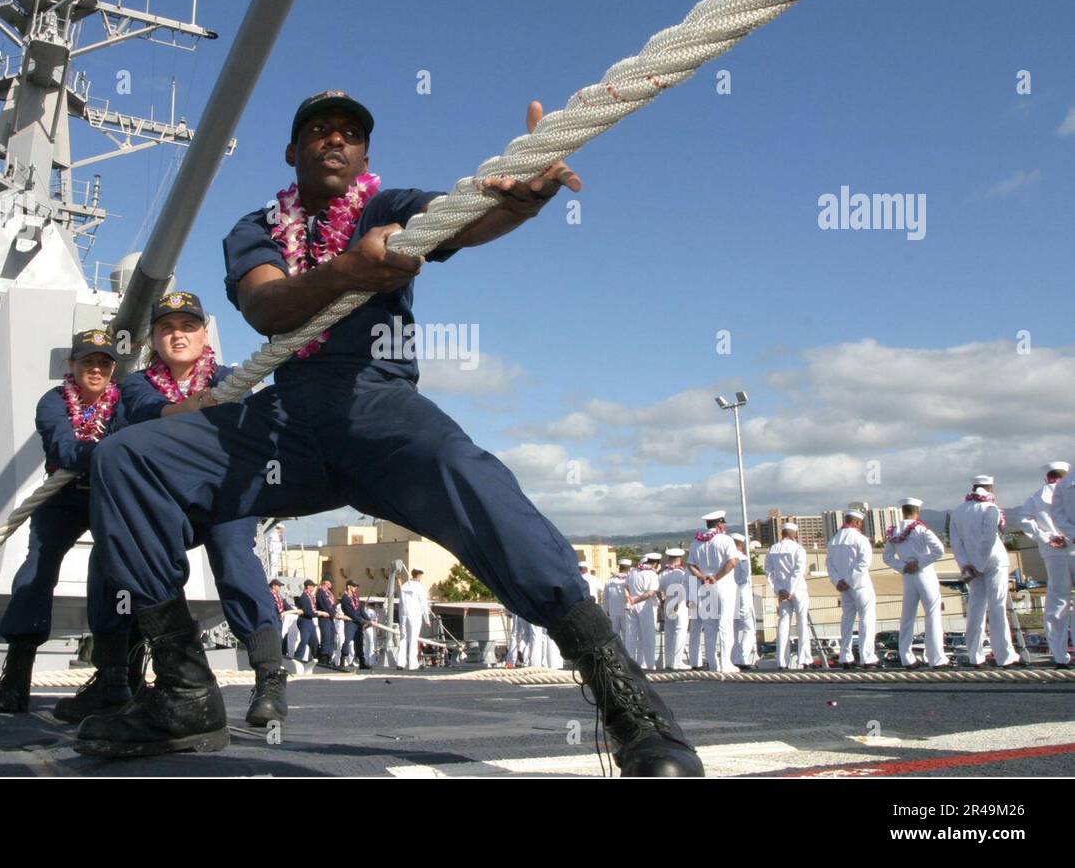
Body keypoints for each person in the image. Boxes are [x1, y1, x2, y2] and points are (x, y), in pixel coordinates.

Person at [78, 91, 702, 775]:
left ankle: (633, 711)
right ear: (292, 153)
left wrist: (524, 196)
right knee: (127, 458)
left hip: (378, 407)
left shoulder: (384, 208)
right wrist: (349, 271)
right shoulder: (254, 227)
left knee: (474, 480)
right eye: (317, 130)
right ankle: (185, 693)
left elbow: (463, 220)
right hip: (285, 421)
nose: (335, 140)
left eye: (349, 133)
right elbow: (263, 303)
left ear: (366, 156)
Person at [115, 290, 288, 727]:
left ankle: (269, 677)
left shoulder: (234, 378)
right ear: (153, 339)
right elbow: (144, 412)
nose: (177, 336)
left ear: (204, 334)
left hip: (226, 495)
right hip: (170, 499)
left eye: (187, 326)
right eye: (166, 328)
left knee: (235, 558)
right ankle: (151, 673)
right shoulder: (135, 385)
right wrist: (200, 407)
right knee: (139, 562)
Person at [0, 330, 131, 714]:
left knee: (115, 575)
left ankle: (118, 677)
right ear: (72, 366)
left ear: (112, 369)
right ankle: (15, 678)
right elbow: (63, 446)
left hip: (108, 498)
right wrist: (108, 453)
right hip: (62, 498)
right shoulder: (53, 402)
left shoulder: (124, 403)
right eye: (87, 362)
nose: (95, 369)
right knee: (36, 571)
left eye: (103, 363)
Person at [950, 476, 1020, 668]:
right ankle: (1004, 656)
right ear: (990, 488)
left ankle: (975, 656)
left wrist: (966, 565)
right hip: (993, 561)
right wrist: (979, 564)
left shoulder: (957, 512)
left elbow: (956, 543)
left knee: (975, 609)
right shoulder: (991, 508)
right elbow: (989, 538)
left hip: (972, 565)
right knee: (997, 608)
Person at [883, 498, 949, 669]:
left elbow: (887, 557)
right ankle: (936, 658)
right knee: (932, 614)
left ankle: (906, 657)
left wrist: (904, 566)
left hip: (907, 575)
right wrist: (919, 563)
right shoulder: (920, 529)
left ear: (902, 511)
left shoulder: (894, 532)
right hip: (924, 573)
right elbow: (939, 550)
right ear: (917, 512)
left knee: (907, 617)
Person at [1023, 462, 1072, 668]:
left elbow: (1025, 520)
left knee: (1057, 602)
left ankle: (1060, 655)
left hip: (1054, 553)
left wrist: (1047, 537)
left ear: (1046, 477)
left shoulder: (1036, 497)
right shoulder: (1069, 491)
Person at [688, 511, 740, 673]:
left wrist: (703, 577)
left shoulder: (696, 542)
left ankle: (712, 664)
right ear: (719, 524)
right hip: (723, 584)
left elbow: (690, 565)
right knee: (725, 624)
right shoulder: (725, 540)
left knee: (709, 626)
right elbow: (732, 561)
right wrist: (716, 577)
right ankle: (726, 663)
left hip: (705, 585)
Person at [827, 508, 878, 668]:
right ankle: (867, 657)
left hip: (843, 587)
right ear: (856, 522)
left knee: (847, 620)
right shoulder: (860, 539)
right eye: (860, 523)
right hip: (860, 585)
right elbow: (864, 562)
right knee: (867, 619)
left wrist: (838, 582)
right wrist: (850, 580)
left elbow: (829, 565)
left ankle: (845, 656)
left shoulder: (833, 541)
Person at [764, 522, 811, 669]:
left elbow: (769, 572)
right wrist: (791, 589)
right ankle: (804, 659)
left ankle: (781, 661)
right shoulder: (798, 549)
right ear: (794, 534)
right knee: (802, 622)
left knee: (783, 623)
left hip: (782, 591)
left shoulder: (773, 549)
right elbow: (798, 571)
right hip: (798, 589)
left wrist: (779, 590)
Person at [625, 554, 660, 670]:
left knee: (630, 635)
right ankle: (650, 664)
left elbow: (625, 587)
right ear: (654, 563)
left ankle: (629, 662)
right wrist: (636, 599)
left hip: (631, 604)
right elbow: (650, 593)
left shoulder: (632, 572)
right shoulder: (651, 574)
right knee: (648, 635)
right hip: (644, 604)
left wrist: (630, 598)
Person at [657, 548, 689, 670]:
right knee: (680, 632)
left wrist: (662, 600)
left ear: (669, 558)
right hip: (680, 602)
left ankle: (669, 662)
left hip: (668, 602)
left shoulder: (662, 574)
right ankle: (677, 662)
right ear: (680, 558)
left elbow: (657, 590)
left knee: (669, 633)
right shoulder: (683, 573)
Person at [731, 534, 757, 669]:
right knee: (749, 628)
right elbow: (743, 578)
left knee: (734, 628)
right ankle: (743, 658)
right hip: (741, 594)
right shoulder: (742, 558)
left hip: (729, 594)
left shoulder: (726, 557)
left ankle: (733, 658)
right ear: (741, 544)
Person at [397, 569, 432, 670]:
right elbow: (423, 603)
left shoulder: (404, 586)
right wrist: (427, 619)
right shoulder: (420, 587)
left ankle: (400, 663)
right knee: (413, 639)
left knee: (403, 638)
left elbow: (401, 603)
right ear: (419, 575)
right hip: (415, 614)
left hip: (403, 615)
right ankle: (413, 664)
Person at [340, 580, 373, 669]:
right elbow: (350, 613)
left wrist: (368, 620)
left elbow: (360, 610)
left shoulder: (356, 596)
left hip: (358, 623)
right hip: (350, 622)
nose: (355, 588)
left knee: (359, 642)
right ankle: (342, 661)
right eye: (354, 586)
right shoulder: (345, 598)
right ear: (348, 586)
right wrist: (362, 620)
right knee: (348, 641)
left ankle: (362, 662)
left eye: (356, 586)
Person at [293, 579, 322, 663]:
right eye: (312, 586)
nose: (313, 588)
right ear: (308, 586)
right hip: (304, 620)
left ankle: (317, 659)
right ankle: (297, 659)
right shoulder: (304, 597)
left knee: (314, 641)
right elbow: (308, 611)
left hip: (309, 621)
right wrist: (318, 614)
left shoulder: (310, 597)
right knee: (304, 641)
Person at [315, 578, 340, 668]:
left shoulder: (328, 593)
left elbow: (331, 605)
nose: (331, 584)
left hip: (330, 618)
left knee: (331, 638)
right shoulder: (321, 592)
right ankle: (323, 659)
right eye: (330, 582)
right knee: (326, 638)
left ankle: (329, 657)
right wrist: (334, 614)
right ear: (325, 582)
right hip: (324, 618)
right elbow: (325, 605)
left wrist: (335, 613)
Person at [268, 579, 297, 657]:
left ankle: (279, 654)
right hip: (274, 619)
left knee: (279, 637)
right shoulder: (269, 595)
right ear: (273, 586)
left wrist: (295, 611)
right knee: (276, 637)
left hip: (279, 619)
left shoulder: (279, 596)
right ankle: (275, 654)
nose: (280, 587)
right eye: (278, 586)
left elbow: (285, 604)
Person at [602, 560, 630, 637]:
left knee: (614, 635)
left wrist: (605, 610)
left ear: (620, 567)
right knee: (627, 635)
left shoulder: (610, 580)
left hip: (613, 611)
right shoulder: (630, 579)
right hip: (626, 611)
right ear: (628, 568)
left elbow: (605, 597)